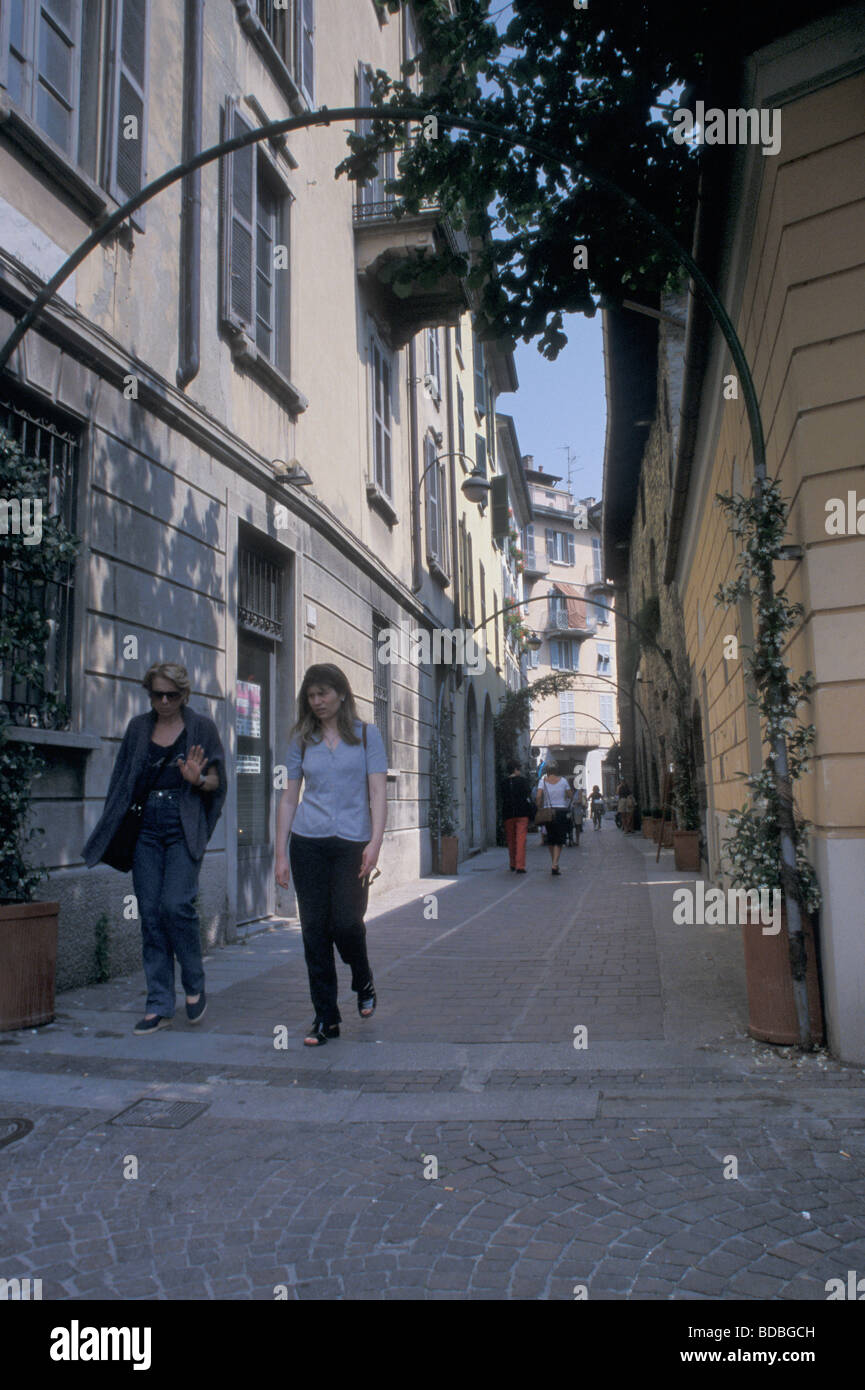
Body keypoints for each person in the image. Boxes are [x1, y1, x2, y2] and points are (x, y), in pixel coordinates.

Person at [83, 662, 226, 1034]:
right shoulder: (138, 729)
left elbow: (217, 780)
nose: (164, 701)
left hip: (181, 822)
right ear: (149, 693)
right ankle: (159, 1002)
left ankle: (194, 983)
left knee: (175, 905)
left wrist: (198, 779)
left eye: (172, 695)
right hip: (146, 825)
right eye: (157, 694)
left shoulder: (201, 728)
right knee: (150, 914)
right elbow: (121, 782)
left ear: (184, 695)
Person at [275, 664, 387, 1047]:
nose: (317, 701)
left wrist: (375, 843)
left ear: (341, 694)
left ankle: (363, 977)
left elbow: (377, 794)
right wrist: (280, 854)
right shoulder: (301, 740)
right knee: (314, 934)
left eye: (323, 693)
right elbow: (289, 797)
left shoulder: (367, 736)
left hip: (352, 844)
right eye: (311, 695)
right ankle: (326, 1018)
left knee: (347, 924)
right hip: (308, 842)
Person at [536, 759, 572, 875]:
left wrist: (539, 807)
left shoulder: (543, 782)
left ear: (547, 770)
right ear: (556, 770)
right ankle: (555, 864)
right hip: (561, 811)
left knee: (551, 839)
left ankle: (554, 863)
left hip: (548, 813)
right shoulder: (563, 781)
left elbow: (538, 797)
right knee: (559, 839)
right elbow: (570, 795)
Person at [501, 758, 532, 873]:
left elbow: (502, 797)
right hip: (522, 813)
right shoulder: (523, 781)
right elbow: (527, 794)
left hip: (508, 813)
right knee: (520, 839)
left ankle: (512, 863)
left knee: (511, 839)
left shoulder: (503, 783)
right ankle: (520, 865)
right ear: (515, 769)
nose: (520, 771)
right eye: (519, 769)